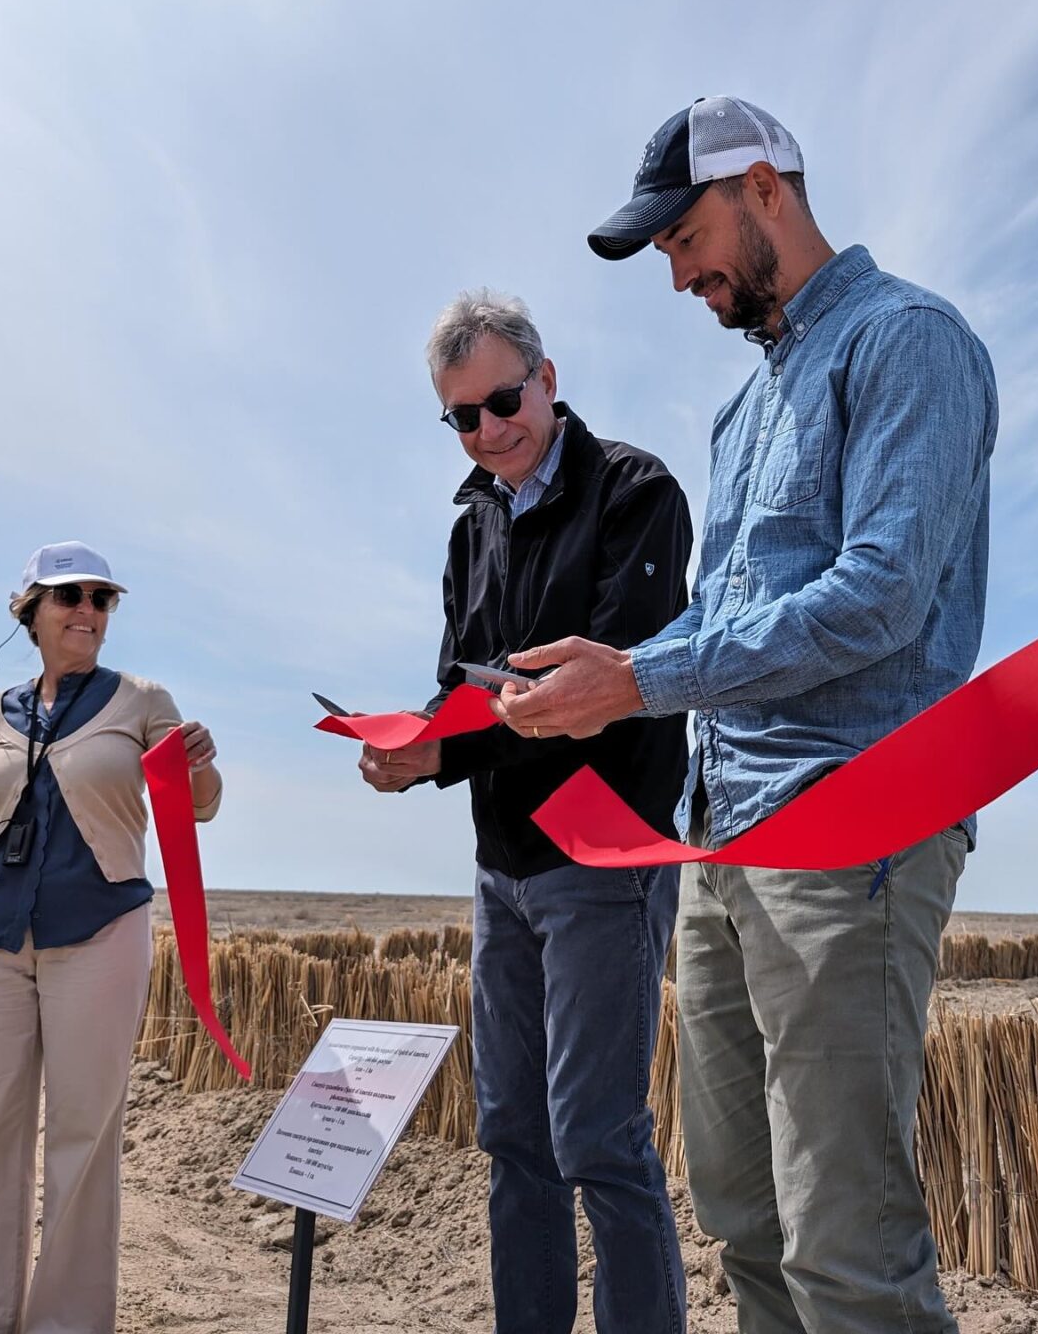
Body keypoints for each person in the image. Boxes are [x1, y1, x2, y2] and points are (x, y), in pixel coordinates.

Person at [495, 97, 1000, 1334]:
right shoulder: (743, 408)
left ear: (762, 186)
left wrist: (640, 681)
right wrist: (610, 661)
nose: (676, 275)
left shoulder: (907, 342)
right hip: (722, 841)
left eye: (681, 237)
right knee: (740, 1209)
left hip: (850, 827)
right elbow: (725, 616)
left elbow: (878, 597)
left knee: (844, 1239)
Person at [359, 291, 693, 1334]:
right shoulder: (473, 525)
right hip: (500, 865)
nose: (487, 428)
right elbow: (461, 686)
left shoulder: (635, 491)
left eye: (502, 400)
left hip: (602, 853)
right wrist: (403, 745)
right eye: (462, 416)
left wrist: (443, 748)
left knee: (596, 1134)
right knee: (511, 1133)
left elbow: (590, 699)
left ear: (547, 379)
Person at [0, 541, 222, 1334]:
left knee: (85, 1136)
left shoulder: (142, 698)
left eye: (101, 598)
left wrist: (199, 764)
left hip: (99, 933)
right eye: (69, 597)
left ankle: (66, 1323)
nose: (88, 611)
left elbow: (200, 804)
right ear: (31, 612)